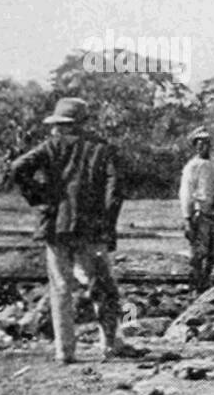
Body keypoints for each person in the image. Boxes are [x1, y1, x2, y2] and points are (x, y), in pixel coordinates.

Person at [10, 97, 146, 364]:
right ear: (82, 124)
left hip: (56, 227)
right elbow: (115, 191)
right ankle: (110, 344)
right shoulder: (102, 150)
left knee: (60, 288)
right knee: (102, 286)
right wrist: (107, 224)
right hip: (91, 230)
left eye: (58, 124)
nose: (55, 130)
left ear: (63, 125)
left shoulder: (51, 147)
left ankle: (65, 351)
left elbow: (17, 168)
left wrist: (40, 196)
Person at [178, 127, 214, 294]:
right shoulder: (192, 167)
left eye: (206, 144)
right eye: (199, 144)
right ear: (195, 146)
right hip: (198, 212)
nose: (203, 147)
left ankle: (205, 280)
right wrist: (187, 219)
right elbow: (186, 193)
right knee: (198, 252)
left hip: (213, 213)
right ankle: (196, 284)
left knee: (212, 252)